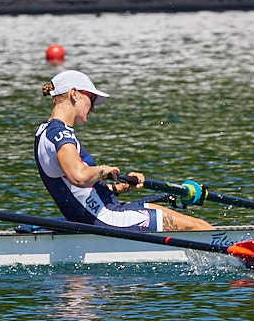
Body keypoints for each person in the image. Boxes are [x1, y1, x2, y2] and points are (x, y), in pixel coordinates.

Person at [35, 70, 212, 233]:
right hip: (107, 218)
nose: (94, 108)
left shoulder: (45, 131)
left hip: (104, 213)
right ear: (74, 94)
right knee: (199, 227)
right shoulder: (60, 134)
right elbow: (79, 177)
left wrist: (120, 187)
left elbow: (77, 191)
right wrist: (103, 170)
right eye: (92, 99)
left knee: (195, 223)